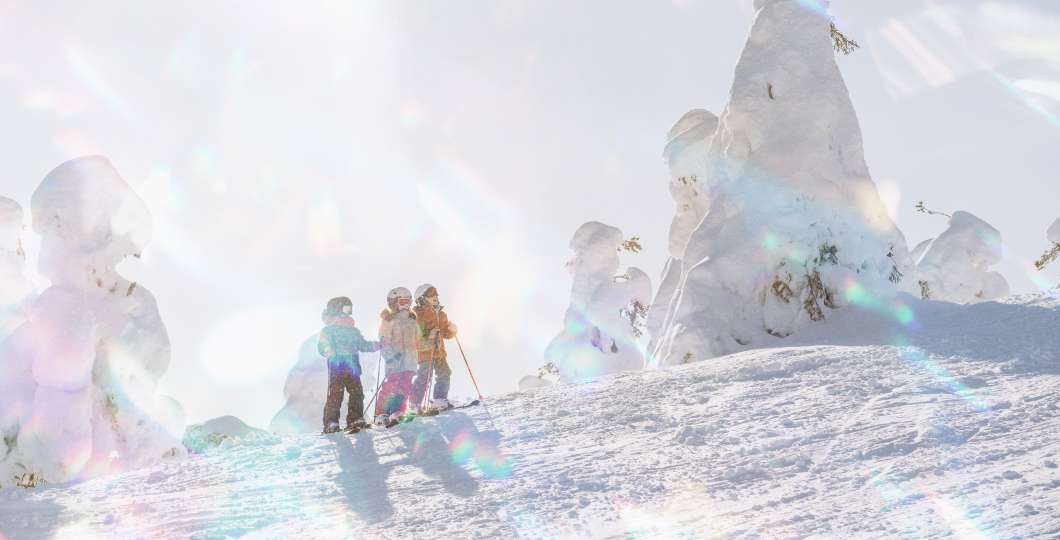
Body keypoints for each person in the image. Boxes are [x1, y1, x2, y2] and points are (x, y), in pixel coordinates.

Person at [318, 296, 381, 433]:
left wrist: (377, 345)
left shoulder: (353, 331)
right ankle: (331, 422)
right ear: (337, 310)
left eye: (350, 309)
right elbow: (322, 345)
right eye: (346, 309)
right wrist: (327, 350)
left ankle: (355, 418)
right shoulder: (329, 330)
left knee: (357, 393)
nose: (349, 312)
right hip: (337, 367)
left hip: (353, 368)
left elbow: (363, 345)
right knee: (336, 394)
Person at [373, 287, 419, 426]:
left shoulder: (412, 321)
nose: (406, 305)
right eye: (403, 301)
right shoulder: (389, 320)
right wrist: (390, 357)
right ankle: (381, 413)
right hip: (395, 359)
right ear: (394, 302)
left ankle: (397, 411)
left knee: (405, 386)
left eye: (408, 302)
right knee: (391, 385)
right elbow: (384, 341)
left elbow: (418, 339)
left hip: (410, 360)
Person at [409, 284, 458, 412]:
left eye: (436, 294)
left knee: (445, 373)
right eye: (431, 295)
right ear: (421, 299)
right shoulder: (418, 315)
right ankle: (414, 404)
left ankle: (439, 399)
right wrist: (429, 337)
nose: (435, 296)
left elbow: (446, 333)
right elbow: (416, 337)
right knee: (425, 377)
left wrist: (451, 330)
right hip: (425, 352)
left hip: (439, 352)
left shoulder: (441, 314)